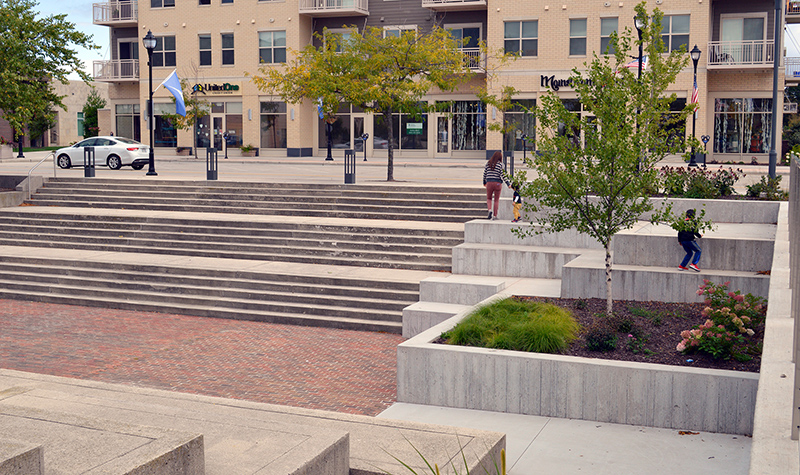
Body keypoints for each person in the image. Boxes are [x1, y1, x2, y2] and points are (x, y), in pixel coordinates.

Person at [482, 151, 509, 220]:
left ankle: (489, 210)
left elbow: (485, 173)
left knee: (489, 198)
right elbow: (503, 175)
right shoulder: (501, 165)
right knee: (496, 200)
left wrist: (484, 182)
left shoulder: (488, 163)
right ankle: (495, 215)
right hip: (497, 183)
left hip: (489, 183)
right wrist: (508, 184)